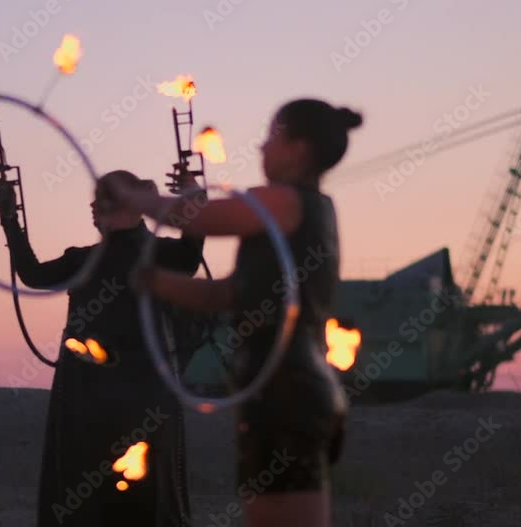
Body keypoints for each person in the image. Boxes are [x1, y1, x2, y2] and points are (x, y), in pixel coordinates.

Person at [104, 99, 360, 527]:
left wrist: (135, 197)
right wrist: (160, 283)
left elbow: (200, 217)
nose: (262, 147)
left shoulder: (283, 201)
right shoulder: (303, 211)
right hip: (282, 393)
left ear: (298, 149)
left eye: (272, 136)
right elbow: (229, 294)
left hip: (287, 392)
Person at [0, 170, 205, 527]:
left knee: (132, 492)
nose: (93, 206)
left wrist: (192, 203)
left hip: (130, 396)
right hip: (98, 397)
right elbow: (33, 275)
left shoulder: (160, 254)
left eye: (104, 199)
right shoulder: (85, 259)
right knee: (97, 493)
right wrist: (10, 219)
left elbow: (190, 256)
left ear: (133, 206)